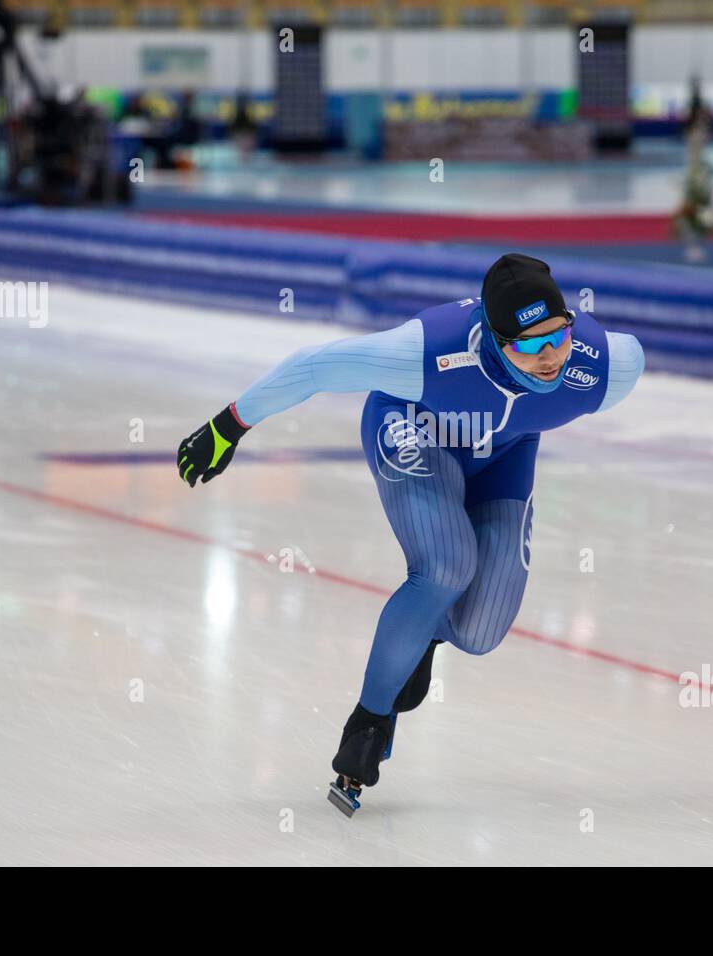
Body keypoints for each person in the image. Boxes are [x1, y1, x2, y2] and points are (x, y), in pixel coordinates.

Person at [176, 254, 646, 814]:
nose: (548, 359)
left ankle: (424, 634)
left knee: (480, 630)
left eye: (557, 338)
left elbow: (601, 354)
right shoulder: (423, 354)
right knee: (446, 567)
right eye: (528, 345)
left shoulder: (606, 367)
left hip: (505, 453)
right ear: (494, 340)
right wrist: (229, 424)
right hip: (413, 428)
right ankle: (370, 721)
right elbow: (314, 367)